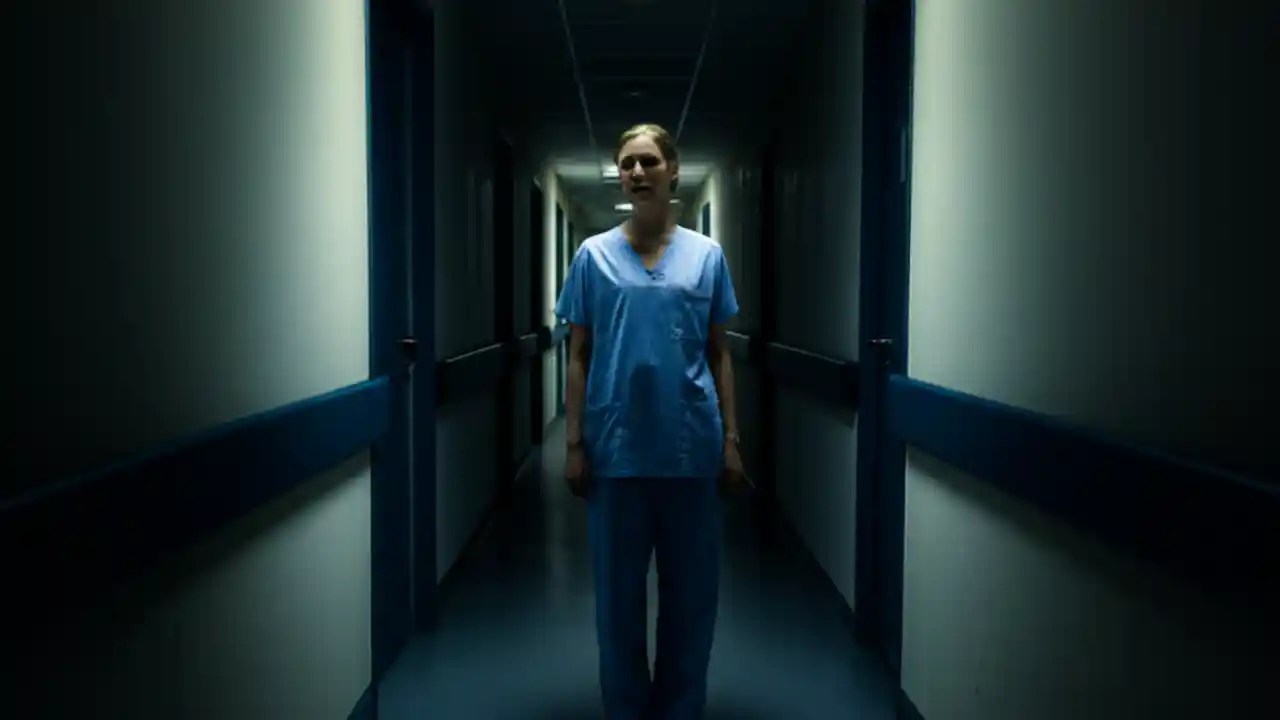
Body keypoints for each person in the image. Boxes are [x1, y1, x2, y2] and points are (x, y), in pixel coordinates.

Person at [555, 122, 748, 720]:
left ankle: (681, 709)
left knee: (692, 601)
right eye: (626, 164)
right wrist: (574, 442)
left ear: (673, 172)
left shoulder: (706, 256)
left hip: (692, 450)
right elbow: (579, 355)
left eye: (647, 163)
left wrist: (733, 440)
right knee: (617, 604)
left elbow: (719, 352)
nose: (636, 173)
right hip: (617, 453)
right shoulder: (593, 258)